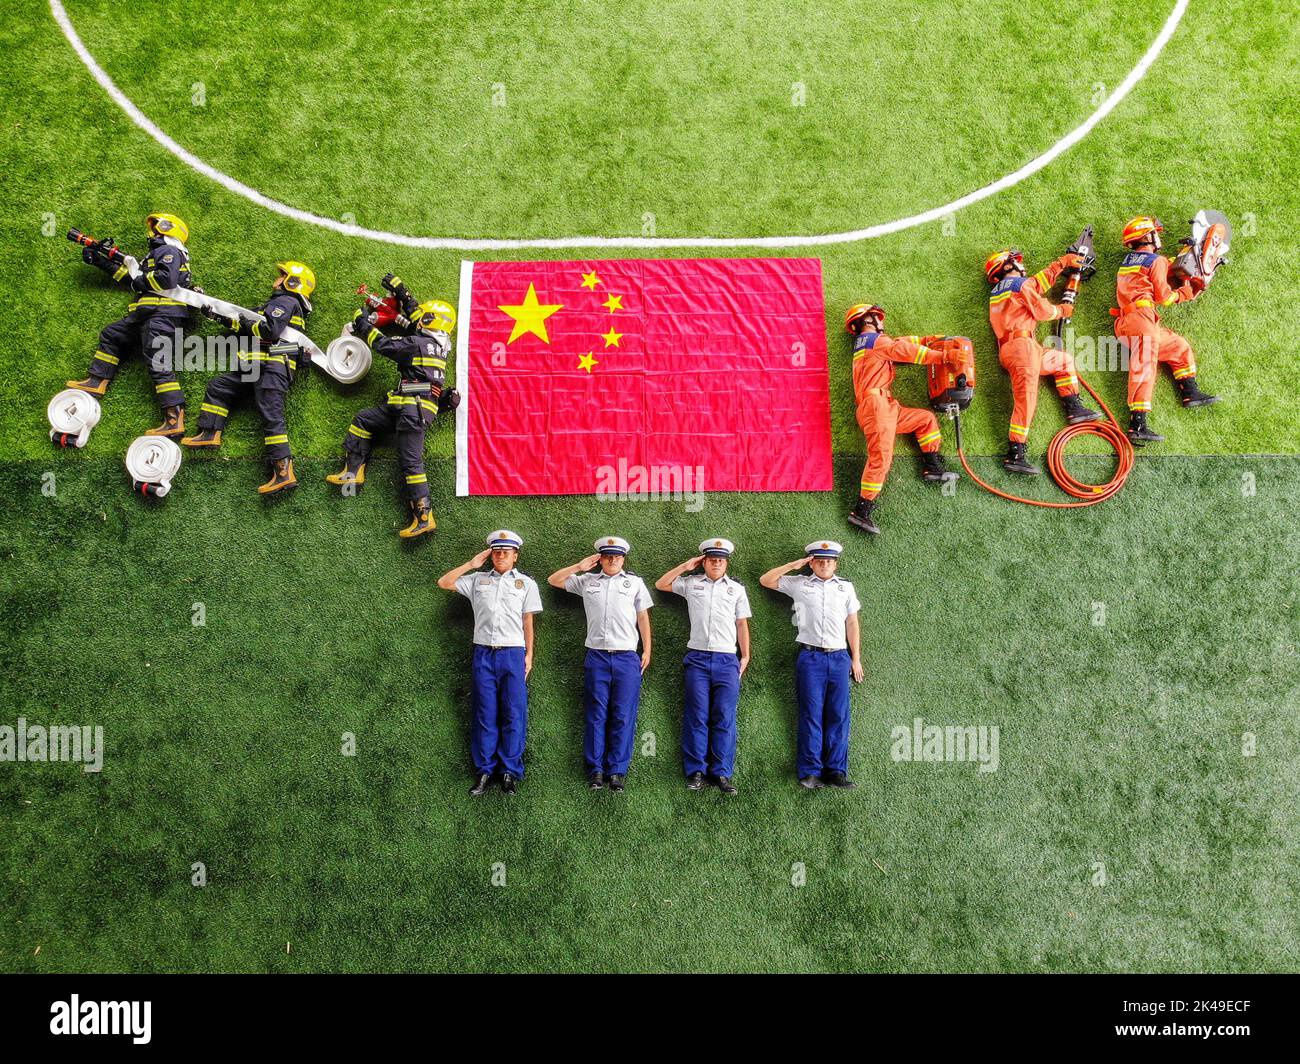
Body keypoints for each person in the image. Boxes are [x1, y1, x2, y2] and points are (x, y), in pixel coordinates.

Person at [326, 277, 458, 537]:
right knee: (363, 420)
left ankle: (424, 516)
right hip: (407, 406)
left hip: (412, 409)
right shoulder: (436, 345)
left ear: (432, 321)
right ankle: (353, 472)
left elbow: (384, 345)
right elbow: (417, 317)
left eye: (425, 317)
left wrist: (364, 325)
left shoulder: (417, 344)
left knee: (411, 463)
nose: (420, 319)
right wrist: (403, 293)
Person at [180, 262, 315, 494]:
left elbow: (269, 331)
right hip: (257, 365)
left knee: (272, 417)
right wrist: (216, 315)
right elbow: (246, 324)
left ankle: (284, 472)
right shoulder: (273, 305)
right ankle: (210, 433)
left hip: (272, 368)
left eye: (282, 275)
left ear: (292, 282)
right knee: (219, 387)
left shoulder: (286, 302)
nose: (277, 279)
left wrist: (244, 322)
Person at [67, 212, 194, 438]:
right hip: (146, 316)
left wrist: (140, 280)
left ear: (168, 229)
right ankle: (97, 380)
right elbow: (133, 281)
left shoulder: (168, 251)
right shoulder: (156, 254)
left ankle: (174, 418)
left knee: (158, 363)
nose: (152, 231)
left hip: (161, 316)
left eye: (156, 227)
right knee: (113, 335)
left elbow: (166, 279)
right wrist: (101, 262)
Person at [843, 303, 965, 535]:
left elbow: (900, 343)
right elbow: (908, 352)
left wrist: (928, 339)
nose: (882, 322)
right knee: (881, 459)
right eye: (878, 318)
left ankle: (932, 466)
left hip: (884, 407)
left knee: (924, 419)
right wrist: (944, 356)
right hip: (876, 407)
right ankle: (862, 510)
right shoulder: (875, 341)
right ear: (867, 320)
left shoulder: (870, 343)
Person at [438, 530, 542, 796]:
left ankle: (509, 771)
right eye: (497, 551)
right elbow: (444, 582)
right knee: (485, 713)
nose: (501, 555)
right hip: (484, 652)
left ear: (515, 556)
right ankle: (484, 770)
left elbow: (527, 622)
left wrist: (529, 656)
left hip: (513, 653)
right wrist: (471, 564)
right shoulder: (477, 580)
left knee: (513, 712)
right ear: (490, 555)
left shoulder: (526, 584)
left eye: (506, 552)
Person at [985, 246, 1101, 475]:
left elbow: (1037, 284)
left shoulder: (1004, 289)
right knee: (1026, 400)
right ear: (1007, 266)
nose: (1021, 264)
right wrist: (1062, 311)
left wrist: (1062, 263)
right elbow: (1041, 311)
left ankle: (1074, 408)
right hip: (1022, 349)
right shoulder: (1019, 285)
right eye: (1015, 261)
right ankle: (1015, 453)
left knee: (1063, 361)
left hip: (1018, 349)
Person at [548, 537, 652, 792]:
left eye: (617, 556)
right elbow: (554, 580)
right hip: (597, 656)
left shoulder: (634, 583)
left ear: (623, 558)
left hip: (627, 656)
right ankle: (595, 770)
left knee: (623, 715)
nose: (613, 559)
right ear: (600, 558)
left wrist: (647, 649)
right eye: (607, 555)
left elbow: (643, 616)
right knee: (596, 714)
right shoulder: (587, 581)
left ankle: (616, 771)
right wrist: (579, 567)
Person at [760, 541, 862, 790]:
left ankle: (835, 772)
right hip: (810, 658)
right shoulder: (799, 584)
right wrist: (793, 566)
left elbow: (852, 623)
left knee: (838, 716)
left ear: (836, 563)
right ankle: (810, 771)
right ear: (811, 563)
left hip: (839, 657)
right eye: (819, 560)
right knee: (811, 715)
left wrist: (856, 658)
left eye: (829, 561)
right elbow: (766, 580)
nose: (824, 564)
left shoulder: (845, 588)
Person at [654, 538, 751, 795]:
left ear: (726, 562)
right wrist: (686, 566)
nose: (717, 562)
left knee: (724, 717)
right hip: (697, 658)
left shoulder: (737, 590)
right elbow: (661, 584)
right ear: (704, 561)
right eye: (712, 558)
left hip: (727, 659)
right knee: (697, 716)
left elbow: (741, 624)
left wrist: (746, 656)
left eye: (721, 559)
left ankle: (721, 773)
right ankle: (696, 771)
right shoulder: (692, 583)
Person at [1112, 215, 1217, 444]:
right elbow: (1164, 297)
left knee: (1177, 346)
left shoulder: (1130, 261)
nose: (1158, 236)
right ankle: (1137, 424)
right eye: (1155, 233)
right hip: (1141, 322)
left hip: (1128, 323)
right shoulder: (1156, 261)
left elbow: (1153, 274)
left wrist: (1177, 261)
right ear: (1147, 236)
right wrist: (1186, 293)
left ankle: (1189, 392)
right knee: (1145, 368)